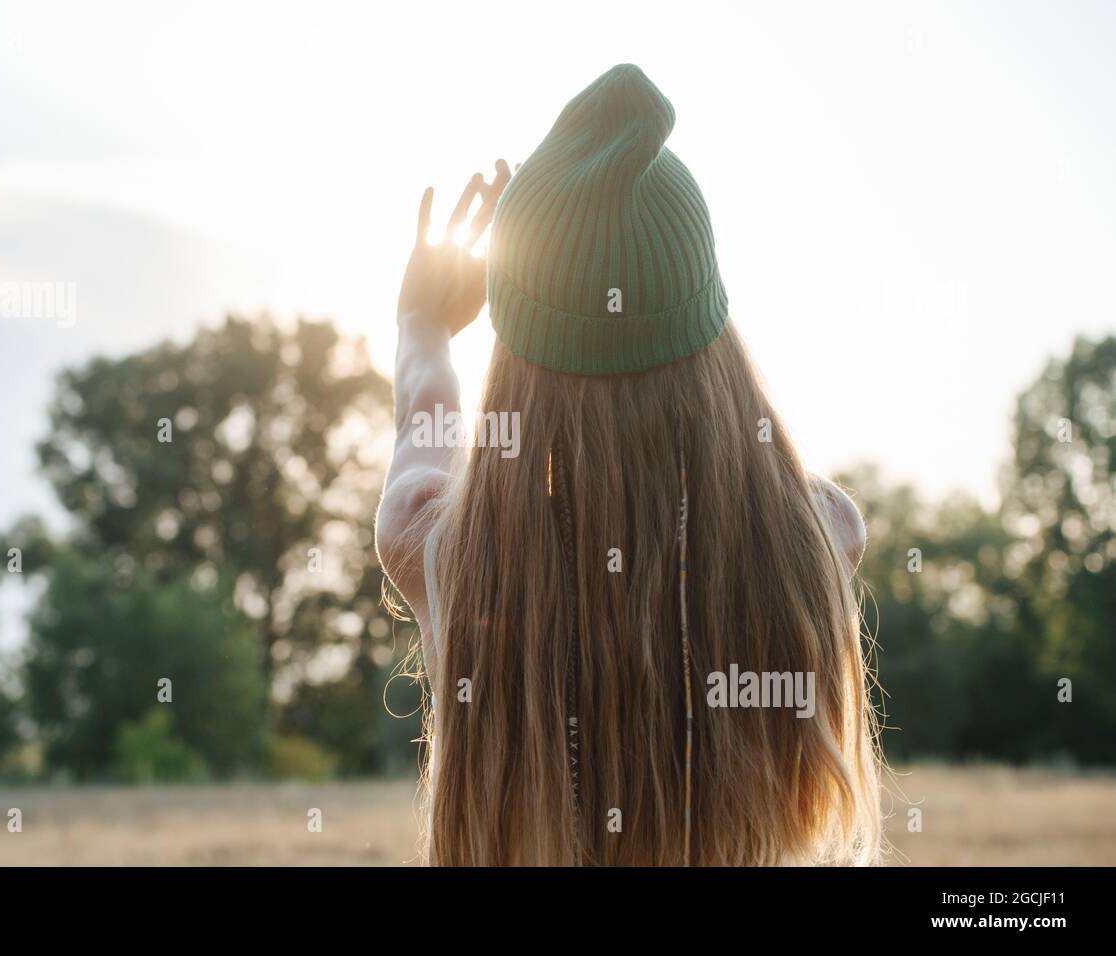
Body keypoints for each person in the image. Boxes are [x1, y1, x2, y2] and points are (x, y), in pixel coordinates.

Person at [376, 64, 881, 866]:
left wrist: (421, 326)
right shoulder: (820, 537)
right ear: (714, 342)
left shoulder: (444, 556)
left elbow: (423, 419)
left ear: (516, 363)